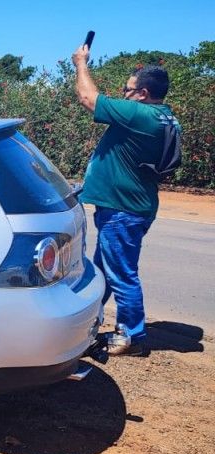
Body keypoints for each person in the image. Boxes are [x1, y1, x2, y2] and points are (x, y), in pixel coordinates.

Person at [73, 44, 180, 356]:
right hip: (132, 206)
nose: (123, 93)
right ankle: (90, 322)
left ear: (143, 93)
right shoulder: (165, 117)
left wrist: (81, 63)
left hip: (123, 210)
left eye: (127, 89)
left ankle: (132, 337)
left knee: (122, 274)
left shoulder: (141, 115)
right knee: (103, 270)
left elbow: (88, 99)